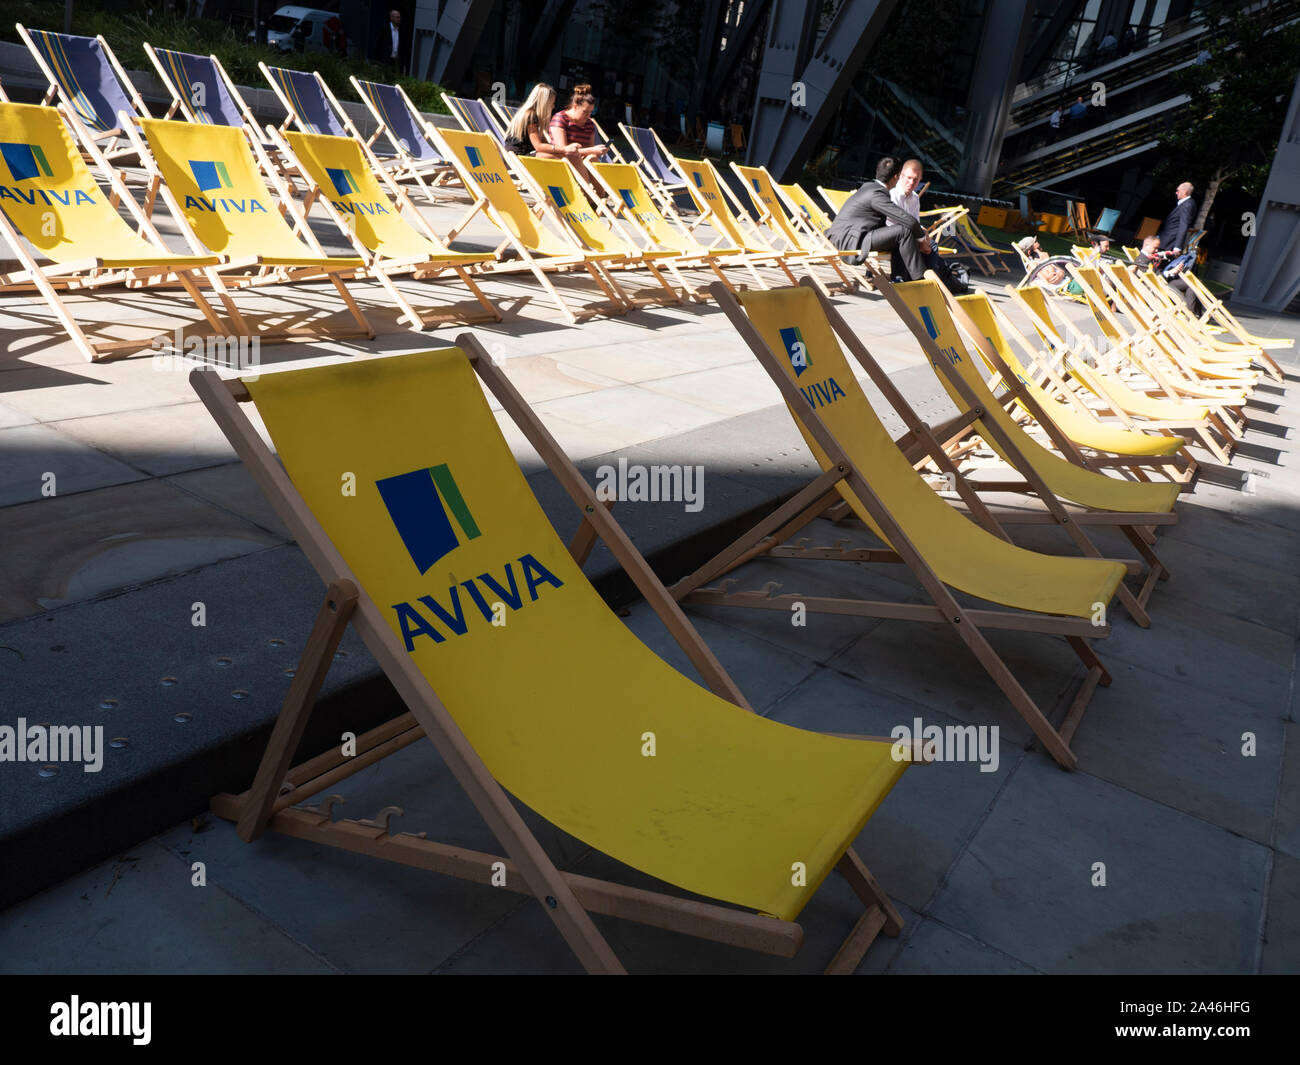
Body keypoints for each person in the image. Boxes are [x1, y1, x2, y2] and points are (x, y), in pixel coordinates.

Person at [825, 156, 928, 280]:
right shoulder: (877, 194)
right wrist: (922, 240)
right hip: (849, 240)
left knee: (901, 234)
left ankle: (900, 279)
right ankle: (919, 279)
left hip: (856, 235)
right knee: (903, 231)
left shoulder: (870, 187)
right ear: (896, 177)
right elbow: (909, 221)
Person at [890, 158, 968, 293]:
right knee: (928, 246)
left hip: (909, 235)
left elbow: (915, 223)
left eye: (916, 179)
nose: (911, 182)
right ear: (901, 176)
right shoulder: (893, 195)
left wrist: (923, 233)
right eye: (908, 178)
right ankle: (927, 281)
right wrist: (921, 239)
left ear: (920, 180)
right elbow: (892, 224)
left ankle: (927, 280)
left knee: (931, 244)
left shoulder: (914, 198)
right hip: (894, 236)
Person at [548, 84, 608, 182]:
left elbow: (590, 151)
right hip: (563, 159)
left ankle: (598, 196)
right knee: (584, 158)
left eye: (591, 112)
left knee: (592, 158)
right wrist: (592, 150)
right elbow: (563, 150)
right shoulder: (561, 118)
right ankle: (587, 194)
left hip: (582, 161)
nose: (588, 116)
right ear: (575, 106)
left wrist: (597, 151)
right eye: (585, 112)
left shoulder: (589, 124)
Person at [503, 84, 576, 159]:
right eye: (552, 103)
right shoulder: (530, 116)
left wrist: (561, 149)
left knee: (562, 155)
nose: (553, 106)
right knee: (559, 156)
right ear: (544, 103)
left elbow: (544, 144)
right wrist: (564, 148)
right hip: (516, 158)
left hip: (518, 156)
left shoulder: (528, 114)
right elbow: (538, 146)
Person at [1017, 236, 1083, 296]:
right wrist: (1047, 260)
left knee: (1088, 266)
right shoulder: (1032, 265)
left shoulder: (1041, 261)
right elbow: (1051, 278)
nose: (1042, 249)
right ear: (1029, 252)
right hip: (1071, 286)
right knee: (1089, 267)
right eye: (1039, 249)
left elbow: (1061, 271)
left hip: (1073, 281)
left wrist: (1061, 274)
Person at [1156, 181, 1196, 258]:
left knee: (1158, 267)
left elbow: (1183, 225)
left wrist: (1177, 246)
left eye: (1178, 190)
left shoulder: (1187, 205)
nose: (1176, 193)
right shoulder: (1187, 203)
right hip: (1167, 241)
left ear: (1184, 192)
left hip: (1169, 243)